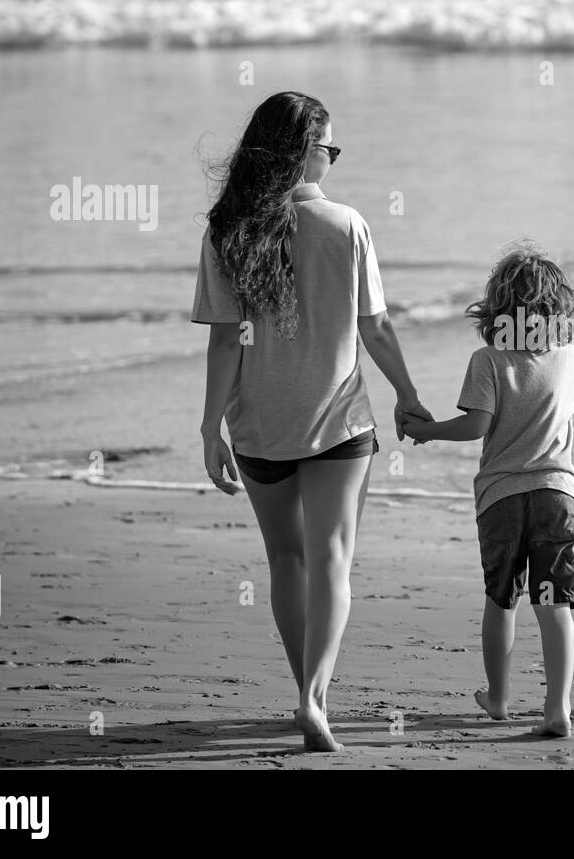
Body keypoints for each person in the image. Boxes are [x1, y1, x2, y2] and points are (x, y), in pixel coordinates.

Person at [193, 90, 432, 751]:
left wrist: (209, 429)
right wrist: (409, 395)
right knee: (331, 558)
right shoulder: (347, 226)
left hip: (259, 426)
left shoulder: (227, 228)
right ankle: (313, 699)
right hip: (337, 425)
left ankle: (306, 692)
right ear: (303, 151)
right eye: (330, 146)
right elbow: (376, 328)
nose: (334, 156)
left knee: (286, 559)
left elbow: (223, 342)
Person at [402, 247, 574, 737]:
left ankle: (500, 698)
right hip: (557, 496)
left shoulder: (487, 360)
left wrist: (427, 431)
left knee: (502, 599)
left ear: (496, 309)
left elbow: (475, 426)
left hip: (501, 499)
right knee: (554, 602)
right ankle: (558, 709)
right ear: (559, 309)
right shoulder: (571, 359)